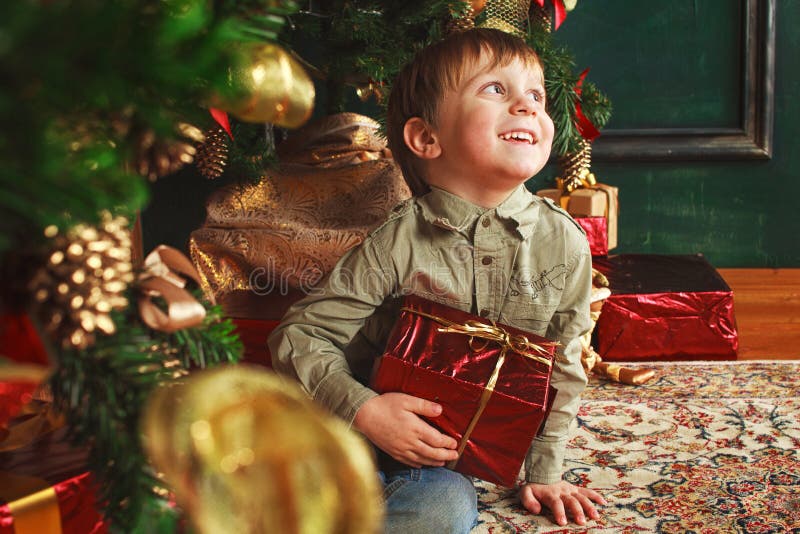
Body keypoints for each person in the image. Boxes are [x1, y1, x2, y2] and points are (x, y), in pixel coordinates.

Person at [269, 27, 606, 532]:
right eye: (497, 90)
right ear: (427, 138)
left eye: (536, 95)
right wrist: (365, 411)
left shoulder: (566, 243)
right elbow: (299, 336)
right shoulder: (396, 241)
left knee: (443, 505)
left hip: (455, 455)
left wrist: (543, 471)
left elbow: (565, 363)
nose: (529, 107)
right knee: (421, 504)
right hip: (367, 433)